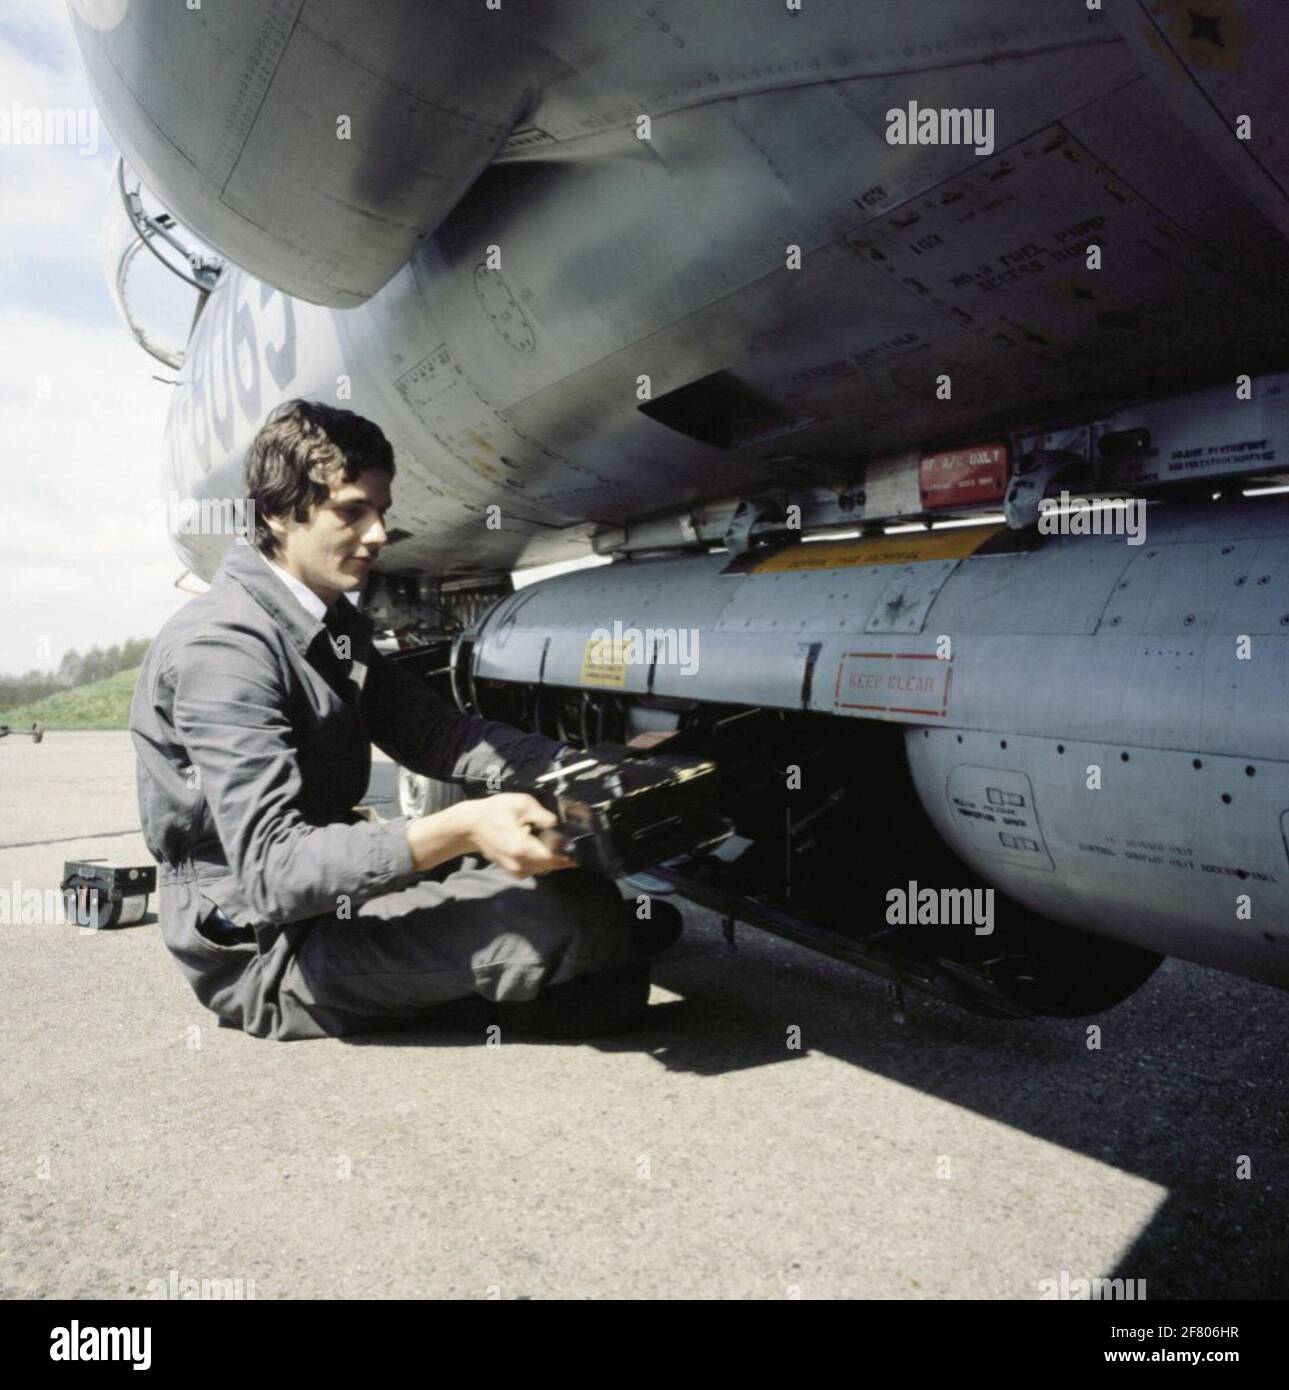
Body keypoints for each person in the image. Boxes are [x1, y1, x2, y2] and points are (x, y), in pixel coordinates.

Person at [129, 399, 680, 1041]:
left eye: (382, 512)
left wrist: (577, 768)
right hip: (266, 945)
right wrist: (463, 825)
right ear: (278, 513)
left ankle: (578, 950)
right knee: (581, 935)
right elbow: (273, 870)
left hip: (334, 896)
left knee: (580, 883)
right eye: (352, 511)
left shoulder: (327, 622)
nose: (379, 534)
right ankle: (578, 955)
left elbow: (440, 735)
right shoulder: (223, 650)